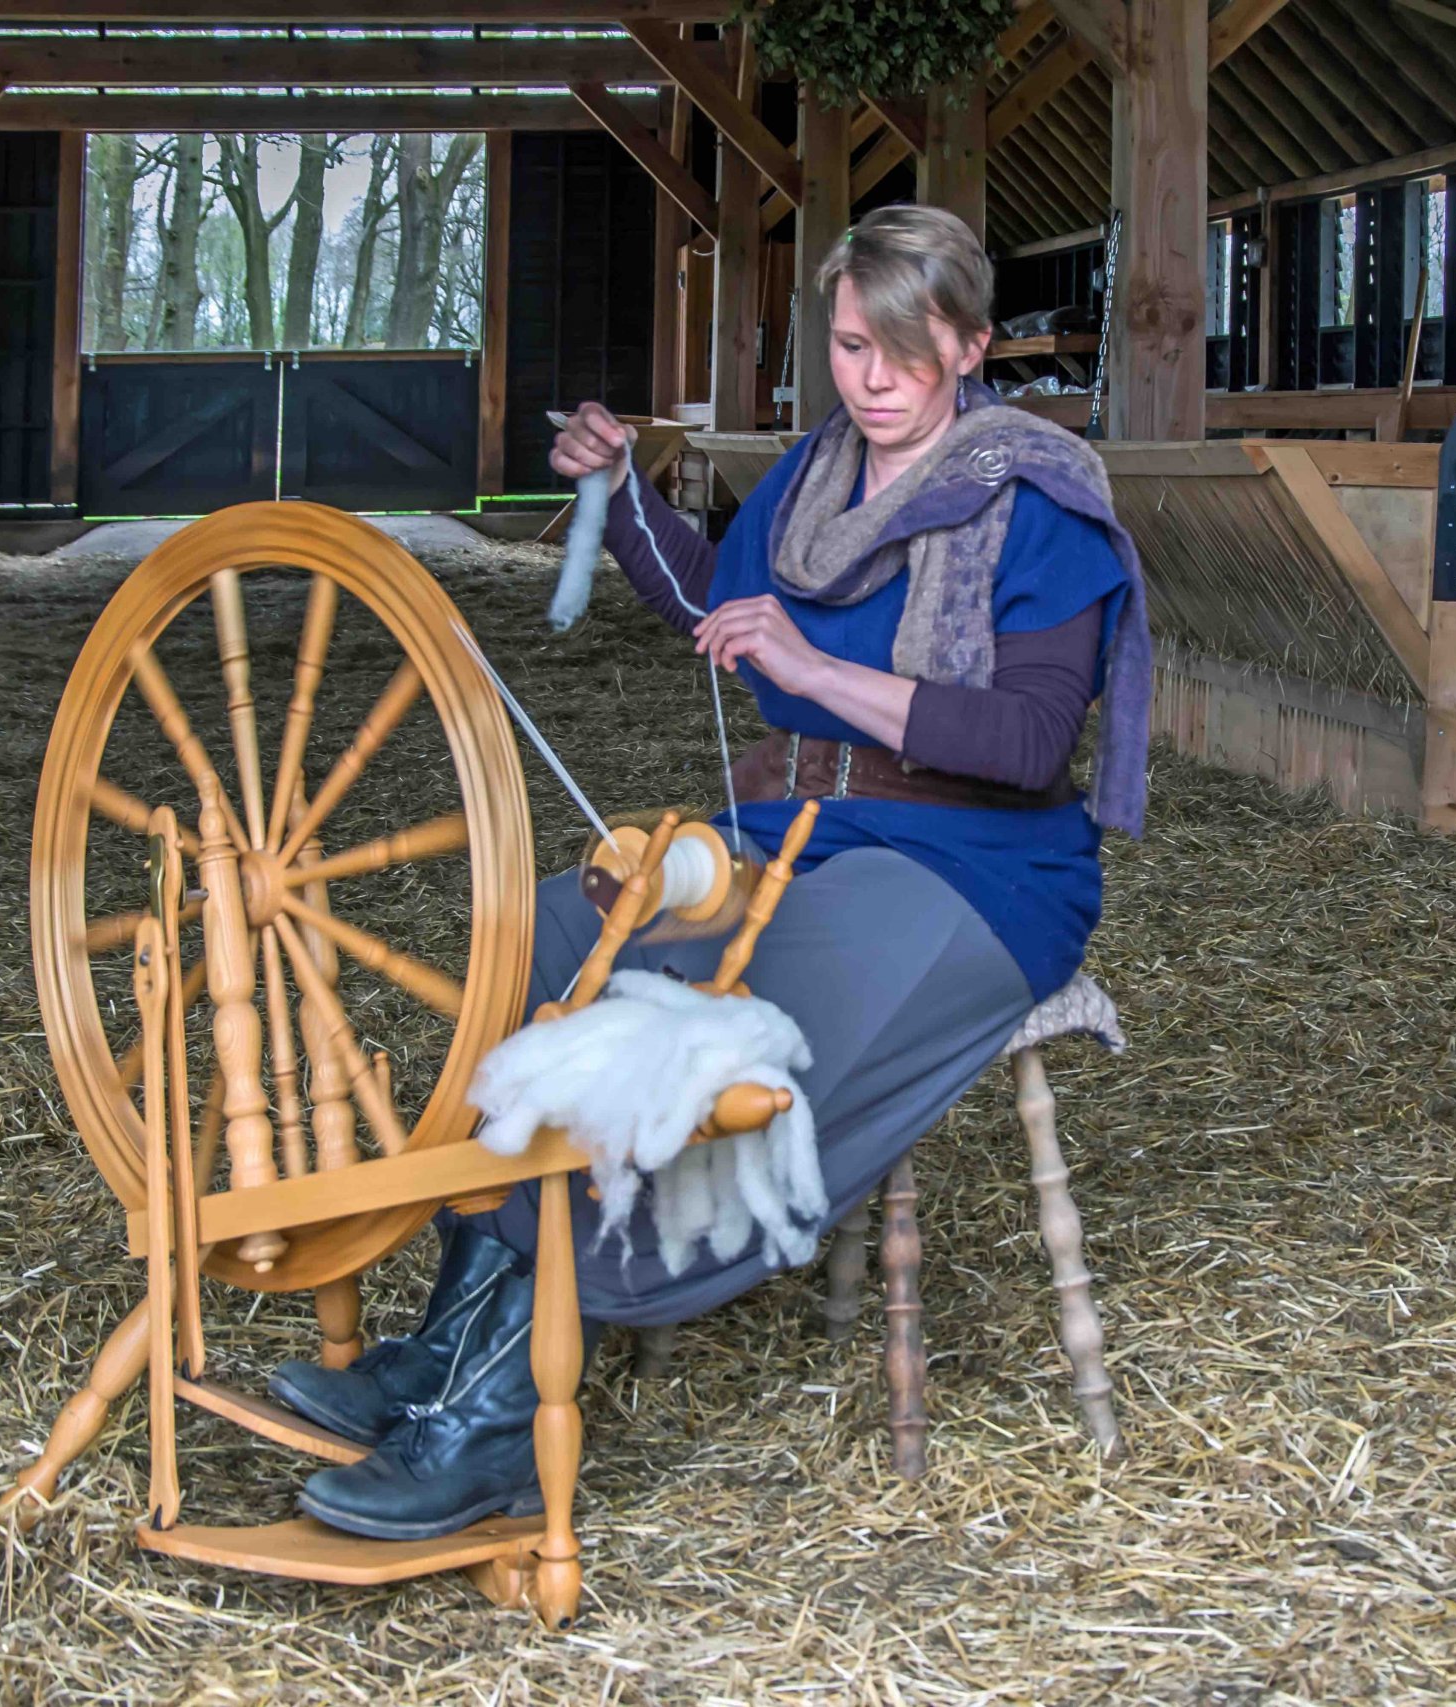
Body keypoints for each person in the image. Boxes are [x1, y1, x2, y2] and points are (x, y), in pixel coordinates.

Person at [274, 204, 1154, 1542]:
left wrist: (813, 673)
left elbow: (1030, 743)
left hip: (974, 871)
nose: (871, 377)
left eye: (905, 351)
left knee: (705, 1026)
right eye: (854, 343)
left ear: (971, 347)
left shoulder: (1041, 503)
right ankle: (452, 1336)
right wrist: (621, 492)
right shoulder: (818, 477)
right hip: (803, 831)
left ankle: (496, 1419)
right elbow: (718, 612)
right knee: (555, 932)